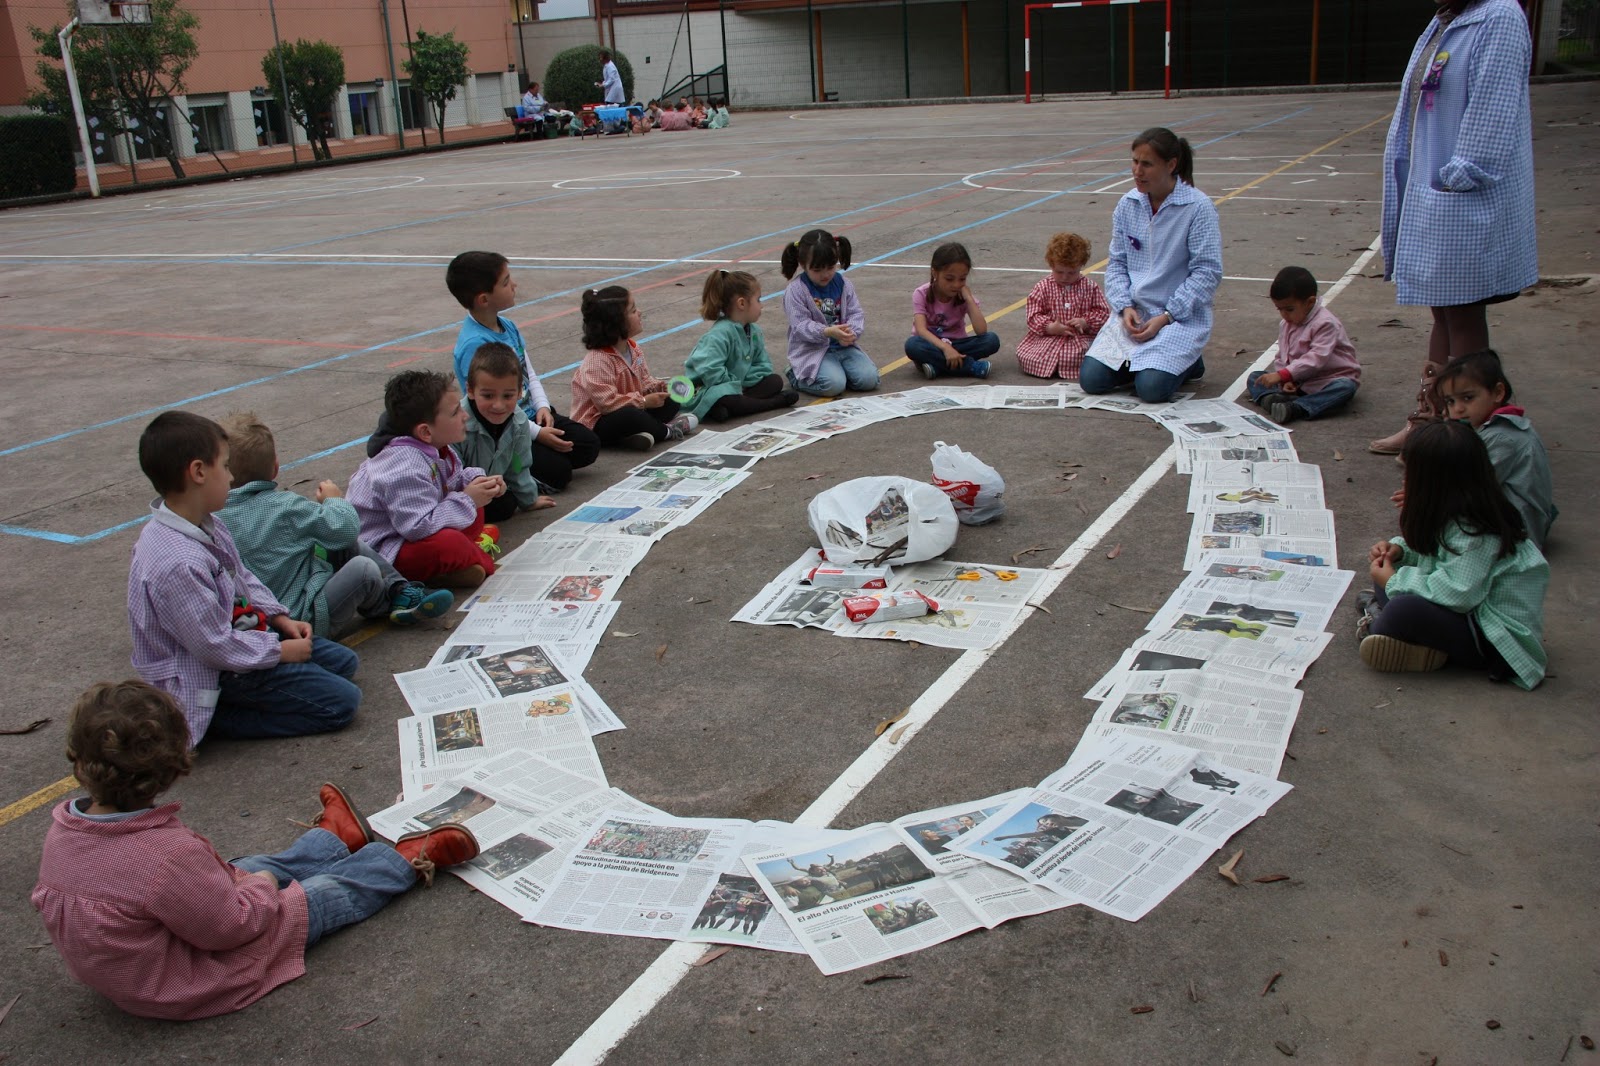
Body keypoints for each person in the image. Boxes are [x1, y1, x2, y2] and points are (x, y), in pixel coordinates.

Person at [31, 680, 479, 1021]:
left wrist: (247, 879)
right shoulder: (165, 854)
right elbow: (233, 927)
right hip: (183, 977)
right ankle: (398, 861)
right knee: (312, 896)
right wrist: (263, 888)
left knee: (238, 869)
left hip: (135, 959)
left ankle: (335, 839)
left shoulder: (67, 826)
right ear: (172, 767)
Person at [127, 412, 361, 746]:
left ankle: (263, 682)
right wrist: (279, 652)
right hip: (214, 673)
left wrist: (278, 617)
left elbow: (242, 577)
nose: (231, 475)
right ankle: (213, 719)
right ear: (198, 472)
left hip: (244, 639)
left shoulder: (206, 521)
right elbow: (214, 645)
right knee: (342, 704)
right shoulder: (176, 562)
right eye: (225, 466)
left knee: (343, 662)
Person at [1372, 0, 1538, 455]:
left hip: (1463, 194)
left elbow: (1492, 114)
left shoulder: (1500, 16)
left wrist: (1457, 177)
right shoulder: (1445, 19)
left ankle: (1463, 438)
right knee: (1442, 311)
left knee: (1463, 312)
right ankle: (1430, 421)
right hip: (1433, 188)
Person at [217, 412, 452, 638]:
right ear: (276, 467)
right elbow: (347, 529)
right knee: (361, 565)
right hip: (304, 621)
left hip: (256, 621)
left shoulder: (214, 517)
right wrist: (334, 500)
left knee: (334, 545)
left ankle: (399, 590)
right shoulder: (285, 507)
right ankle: (389, 602)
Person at [1360, 420, 1547, 688]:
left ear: (1434, 485)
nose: (1404, 482)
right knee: (1388, 571)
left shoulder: (1476, 532)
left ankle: (1379, 624)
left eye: (1411, 476)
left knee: (1403, 607)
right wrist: (1398, 551)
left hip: (1492, 639)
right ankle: (1409, 638)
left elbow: (1458, 594)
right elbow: (1434, 553)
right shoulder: (1456, 511)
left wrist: (1392, 581)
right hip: (1466, 610)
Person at [1081, 127, 1222, 403]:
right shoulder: (1127, 204)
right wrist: (1125, 307)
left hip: (1176, 316)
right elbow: (1117, 263)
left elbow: (1207, 272)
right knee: (1091, 381)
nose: (1137, 171)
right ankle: (1150, 365)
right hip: (1136, 314)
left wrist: (1168, 316)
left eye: (1147, 164)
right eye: (1135, 162)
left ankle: (1189, 362)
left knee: (1152, 390)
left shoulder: (1198, 207)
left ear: (1171, 165)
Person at [446, 251, 600, 492]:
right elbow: (488, 406)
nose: (514, 285)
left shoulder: (507, 326)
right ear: (484, 299)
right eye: (506, 282)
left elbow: (529, 373)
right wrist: (538, 434)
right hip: (503, 424)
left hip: (529, 413)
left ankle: (530, 463)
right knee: (559, 473)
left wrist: (543, 408)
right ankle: (511, 476)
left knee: (587, 444)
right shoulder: (473, 345)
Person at [347, 370, 506, 589]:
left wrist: (481, 481)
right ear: (425, 431)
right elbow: (418, 526)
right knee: (451, 543)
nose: (465, 415)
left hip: (415, 530)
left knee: (475, 504)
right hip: (387, 549)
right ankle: (462, 562)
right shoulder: (403, 467)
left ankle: (453, 566)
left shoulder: (435, 446)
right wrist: (468, 500)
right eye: (455, 412)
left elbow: (455, 479)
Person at [1433, 349, 1557, 549]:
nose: (1458, 409)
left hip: (1520, 536)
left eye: (1468, 398)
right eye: (1450, 401)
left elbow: (1471, 489)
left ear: (1498, 393)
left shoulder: (1501, 437)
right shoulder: (1498, 426)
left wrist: (1424, 495)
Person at [570, 286, 699, 450]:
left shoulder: (633, 348)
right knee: (631, 417)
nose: (640, 312)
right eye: (632, 310)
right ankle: (667, 430)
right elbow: (607, 404)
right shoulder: (597, 360)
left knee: (673, 398)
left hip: (632, 408)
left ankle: (633, 436)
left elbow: (644, 380)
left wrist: (660, 387)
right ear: (615, 323)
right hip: (598, 423)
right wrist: (644, 402)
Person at [1246, 266, 1361, 424]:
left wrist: (1283, 375)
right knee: (1256, 377)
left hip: (1327, 379)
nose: (1284, 315)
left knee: (1345, 387)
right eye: (1280, 309)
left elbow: (1316, 359)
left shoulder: (1326, 323)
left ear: (1310, 302)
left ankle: (1298, 407)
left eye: (1289, 309)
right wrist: (1285, 380)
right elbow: (1283, 355)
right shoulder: (1286, 323)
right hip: (1299, 380)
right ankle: (1270, 400)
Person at [457, 342, 557, 523]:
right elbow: (448, 475)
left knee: (506, 505)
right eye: (488, 396)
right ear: (470, 390)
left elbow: (518, 466)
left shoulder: (519, 421)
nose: (498, 405)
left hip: (490, 489)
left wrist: (529, 500)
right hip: (459, 495)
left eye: (508, 396)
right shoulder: (455, 424)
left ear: (520, 392)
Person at [684, 268, 799, 423]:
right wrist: (735, 384)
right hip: (709, 388)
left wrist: (746, 382)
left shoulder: (755, 331)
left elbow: (763, 364)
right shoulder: (719, 334)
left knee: (775, 381)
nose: (761, 305)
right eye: (758, 300)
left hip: (739, 387)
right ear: (742, 303)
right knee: (724, 397)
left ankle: (728, 409)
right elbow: (710, 371)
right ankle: (774, 403)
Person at [781, 228, 878, 397]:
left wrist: (851, 332)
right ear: (803, 265)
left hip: (843, 347)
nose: (825, 274)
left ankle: (837, 371)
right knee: (833, 386)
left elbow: (856, 312)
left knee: (869, 380)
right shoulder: (796, 290)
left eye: (831, 267)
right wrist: (826, 331)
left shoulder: (843, 284)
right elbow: (800, 325)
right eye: (817, 270)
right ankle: (796, 376)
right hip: (812, 349)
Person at [1016, 231, 1111, 380]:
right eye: (1059, 272)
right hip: (1049, 337)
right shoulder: (1043, 287)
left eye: (1072, 273)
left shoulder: (1089, 287)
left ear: (1081, 266)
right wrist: (1049, 327)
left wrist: (1085, 322)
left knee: (1090, 356)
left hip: (1079, 338)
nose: (1065, 277)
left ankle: (1063, 366)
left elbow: (1103, 313)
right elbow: (1033, 316)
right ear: (1051, 265)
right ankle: (1054, 365)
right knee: (1028, 355)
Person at [904, 241, 1002, 380]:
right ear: (935, 272)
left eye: (962, 279)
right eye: (949, 279)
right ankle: (970, 366)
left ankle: (938, 367)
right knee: (913, 345)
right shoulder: (921, 293)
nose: (956, 285)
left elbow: (981, 331)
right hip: (933, 345)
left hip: (958, 345)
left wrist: (968, 298)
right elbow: (921, 330)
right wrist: (945, 348)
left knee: (991, 340)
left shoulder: (963, 295)